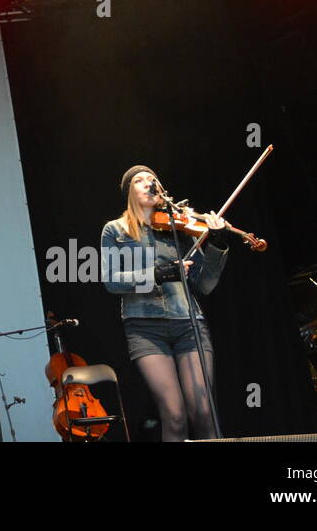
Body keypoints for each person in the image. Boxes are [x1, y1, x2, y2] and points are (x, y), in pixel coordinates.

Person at [101, 165, 228, 441]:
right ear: (129, 192)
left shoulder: (178, 227)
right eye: (140, 180)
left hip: (188, 323)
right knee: (174, 413)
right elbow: (111, 280)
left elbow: (204, 285)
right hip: (145, 328)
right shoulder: (115, 230)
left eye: (153, 179)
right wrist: (157, 274)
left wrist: (215, 245)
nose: (148, 183)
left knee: (204, 412)